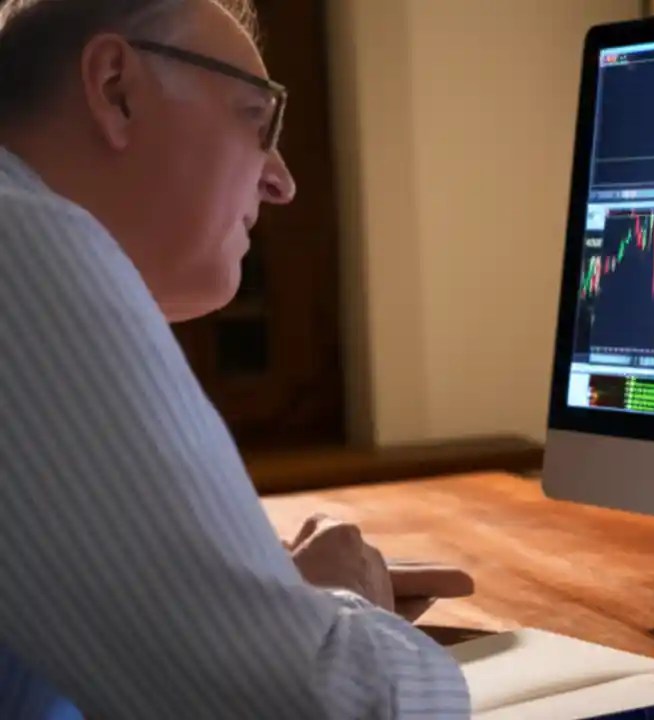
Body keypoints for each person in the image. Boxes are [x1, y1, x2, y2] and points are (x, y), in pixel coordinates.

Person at [0, 0, 473, 717]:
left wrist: (242, 599)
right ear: (115, 89)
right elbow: (326, 706)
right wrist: (341, 602)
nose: (282, 180)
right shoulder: (27, 248)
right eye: (258, 117)